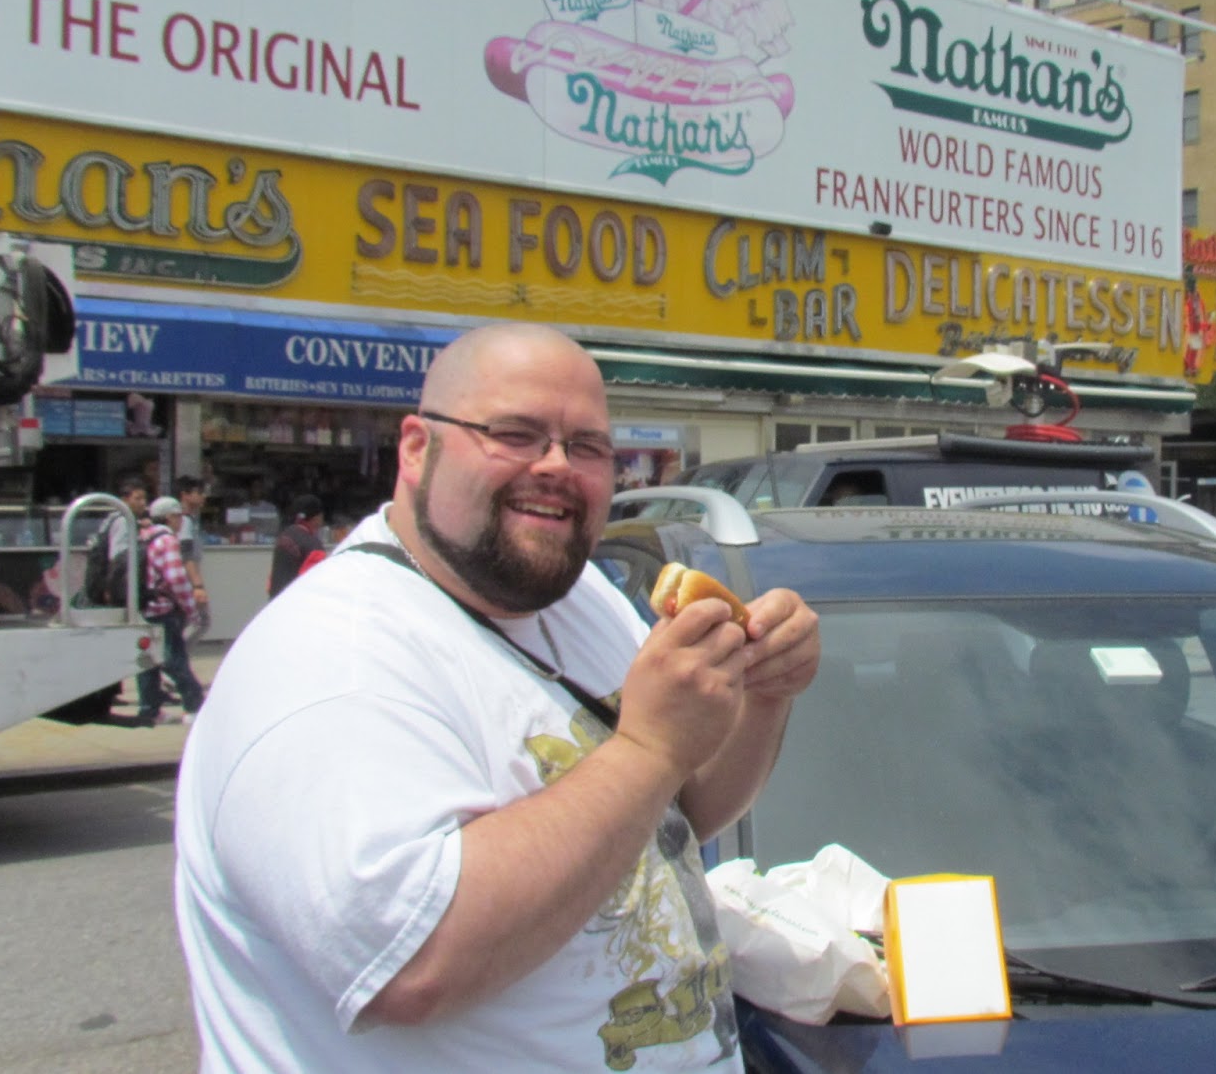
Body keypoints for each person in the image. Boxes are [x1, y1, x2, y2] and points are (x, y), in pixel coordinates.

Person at [175, 323, 821, 1072]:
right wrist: (650, 748)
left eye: (587, 446)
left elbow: (677, 814)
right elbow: (413, 962)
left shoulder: (578, 597)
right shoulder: (330, 657)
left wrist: (765, 695)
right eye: (514, 433)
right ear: (417, 448)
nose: (555, 466)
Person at [135, 496, 206, 727]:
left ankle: (149, 709)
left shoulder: (142, 535)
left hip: (142, 607)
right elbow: (176, 578)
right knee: (175, 659)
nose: (179, 521)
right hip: (162, 608)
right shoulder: (166, 540)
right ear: (168, 517)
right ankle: (194, 706)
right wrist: (190, 608)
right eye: (177, 516)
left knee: (146, 661)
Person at [266, 492, 325, 598]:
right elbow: (313, 583)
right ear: (316, 517)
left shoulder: (284, 536)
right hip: (296, 604)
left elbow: (271, 579)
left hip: (275, 602)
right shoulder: (314, 545)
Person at [175, 474, 211, 638]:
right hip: (185, 580)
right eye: (199, 492)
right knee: (200, 622)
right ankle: (177, 657)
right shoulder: (184, 521)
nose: (203, 496)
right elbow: (186, 553)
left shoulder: (189, 520)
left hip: (184, 580)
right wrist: (197, 585)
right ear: (185, 495)